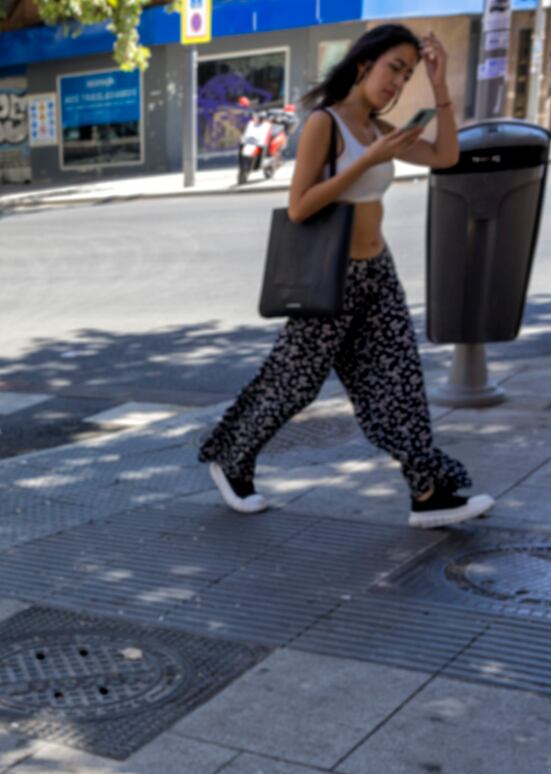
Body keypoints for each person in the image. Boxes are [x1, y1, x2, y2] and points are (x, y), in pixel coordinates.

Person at [198, 26, 495, 530]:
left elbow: (446, 157)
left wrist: (439, 87)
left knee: (399, 380)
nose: (398, 82)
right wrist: (369, 163)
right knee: (294, 382)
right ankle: (231, 458)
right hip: (329, 276)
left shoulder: (382, 130)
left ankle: (427, 492)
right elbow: (300, 207)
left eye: (407, 73)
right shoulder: (325, 124)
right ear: (363, 65)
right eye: (393, 69)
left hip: (377, 272)